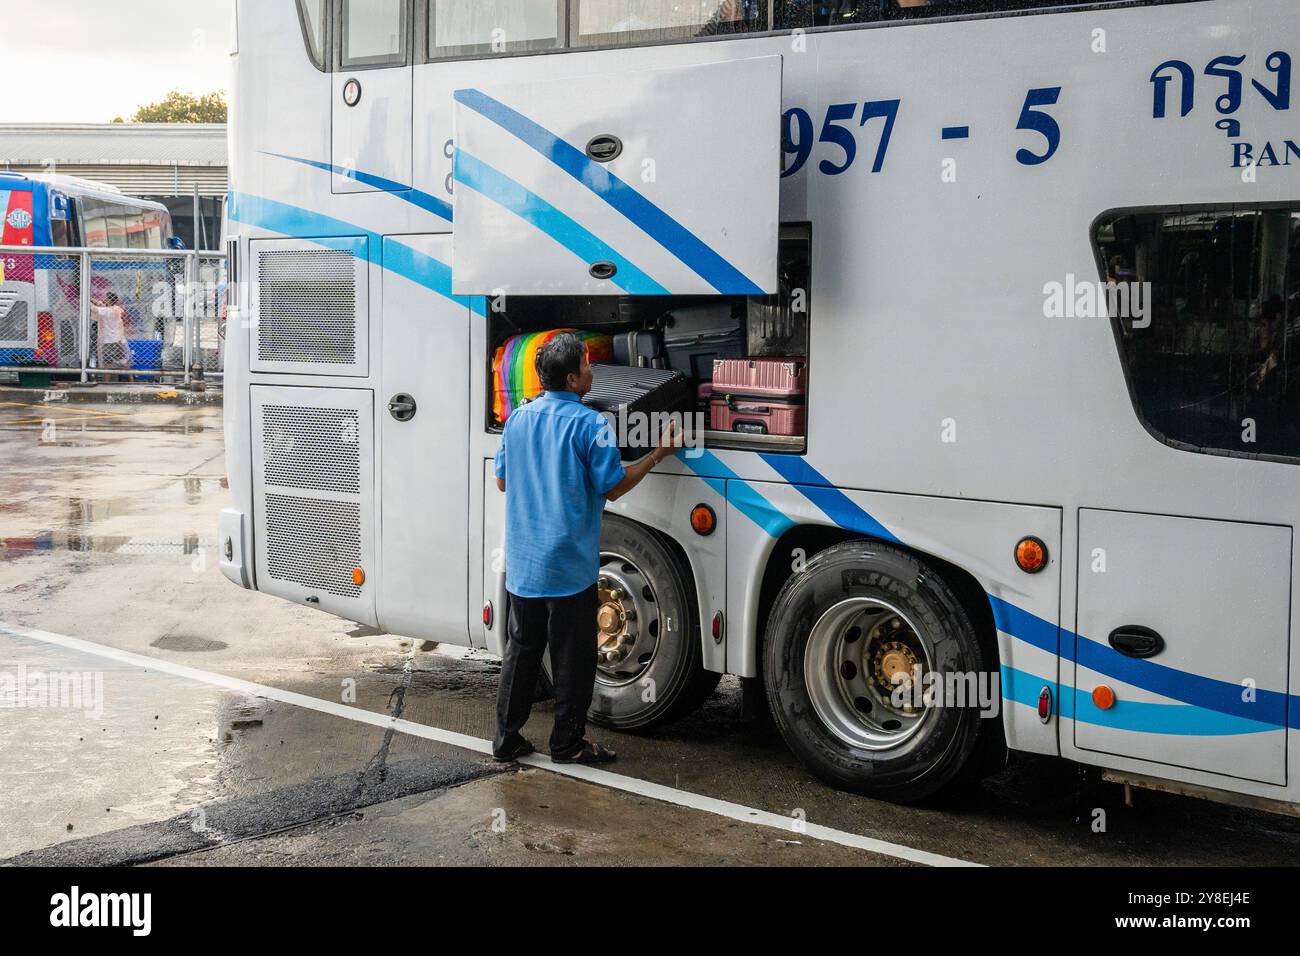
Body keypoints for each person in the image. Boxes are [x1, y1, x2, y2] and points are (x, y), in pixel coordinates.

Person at [493, 332, 680, 765]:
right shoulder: (590, 424)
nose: (594, 371)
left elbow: (502, 480)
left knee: (521, 651)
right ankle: (567, 744)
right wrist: (658, 454)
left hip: (524, 563)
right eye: (589, 366)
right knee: (573, 657)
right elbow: (613, 488)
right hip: (569, 565)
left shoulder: (519, 418)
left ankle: (506, 738)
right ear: (575, 379)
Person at [91, 291, 132, 375]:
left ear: (109, 300)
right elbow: (100, 304)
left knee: (108, 364)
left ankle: (106, 383)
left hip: (110, 341)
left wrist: (85, 300)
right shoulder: (116, 308)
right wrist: (90, 299)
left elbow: (95, 309)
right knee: (123, 362)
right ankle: (131, 380)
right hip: (119, 340)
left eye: (105, 298)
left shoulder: (108, 311)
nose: (103, 299)